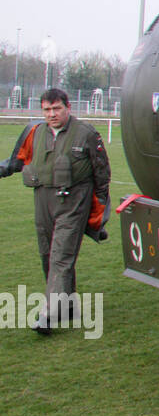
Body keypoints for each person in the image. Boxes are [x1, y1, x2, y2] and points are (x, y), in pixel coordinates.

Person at [0, 88, 110, 333]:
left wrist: (99, 212)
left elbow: (102, 173)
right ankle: (68, 307)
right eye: (47, 109)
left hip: (74, 204)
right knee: (48, 255)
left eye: (56, 108)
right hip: (43, 202)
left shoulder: (86, 134)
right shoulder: (34, 132)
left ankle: (47, 316)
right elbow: (17, 160)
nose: (52, 114)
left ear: (67, 107)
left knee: (61, 256)